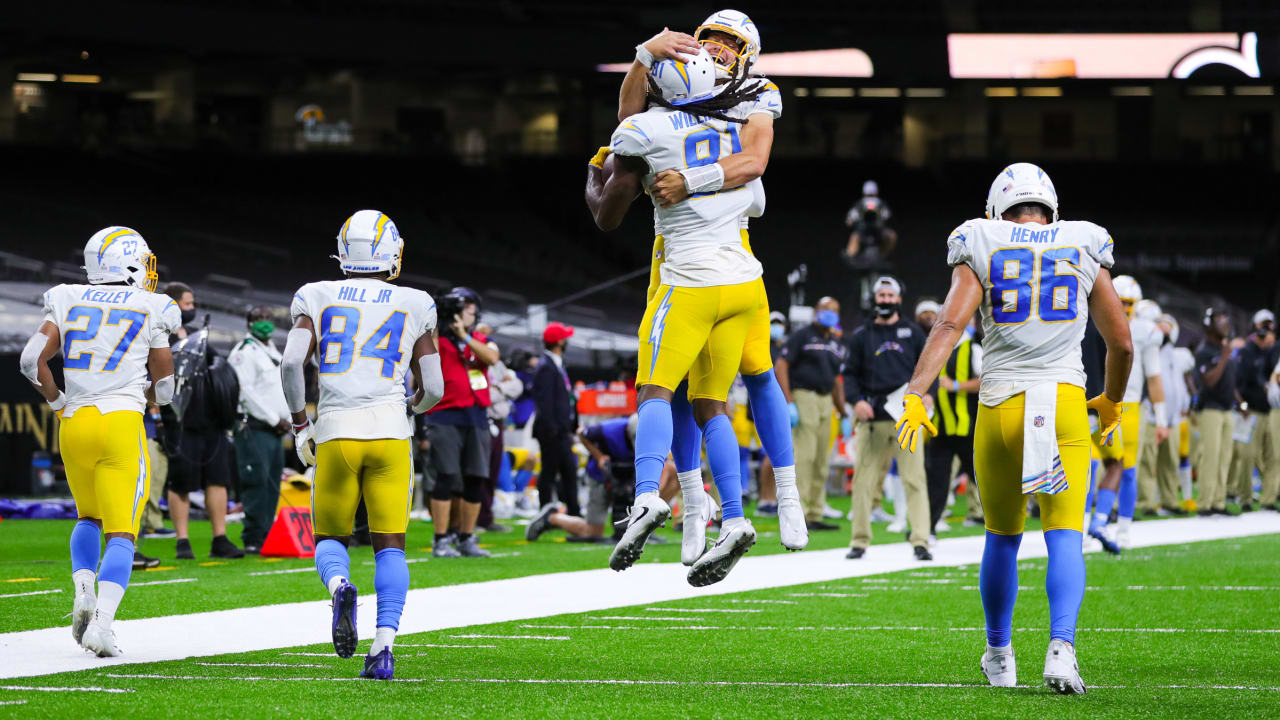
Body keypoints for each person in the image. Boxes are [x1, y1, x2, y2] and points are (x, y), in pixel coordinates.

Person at [894, 162, 1132, 694]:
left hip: (1000, 404)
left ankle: (1000, 654)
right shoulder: (1083, 241)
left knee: (1001, 537)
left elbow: (951, 324)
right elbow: (1122, 343)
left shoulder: (981, 237)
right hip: (1065, 401)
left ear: (997, 207)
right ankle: (1061, 650)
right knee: (1064, 535)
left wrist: (915, 394)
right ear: (1050, 207)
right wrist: (1112, 402)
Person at [593, 14, 805, 584]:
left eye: (731, 45)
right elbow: (753, 181)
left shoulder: (663, 123)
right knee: (711, 397)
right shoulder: (724, 120)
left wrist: (691, 178)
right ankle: (720, 513)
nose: (716, 50)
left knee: (663, 389)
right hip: (741, 271)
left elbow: (625, 131)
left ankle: (662, 498)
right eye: (710, 42)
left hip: (685, 271)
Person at [281, 209, 443, 680]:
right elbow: (433, 386)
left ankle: (339, 587)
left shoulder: (315, 294)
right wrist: (409, 405)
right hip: (391, 432)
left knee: (330, 538)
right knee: (390, 546)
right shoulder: (415, 301)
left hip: (336, 430)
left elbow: (292, 364)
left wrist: (299, 424)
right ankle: (383, 648)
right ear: (391, 251)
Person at [19, 226, 179, 657]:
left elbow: (31, 360)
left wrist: (56, 400)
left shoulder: (68, 296)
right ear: (129, 263)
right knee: (123, 533)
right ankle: (102, 626)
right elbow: (164, 386)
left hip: (74, 422)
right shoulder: (153, 305)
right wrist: (143, 397)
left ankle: (84, 588)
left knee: (86, 517)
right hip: (121, 423)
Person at [843, 276, 931, 561]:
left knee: (914, 480)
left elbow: (929, 366)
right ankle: (859, 541)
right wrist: (855, 401)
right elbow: (850, 374)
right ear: (875, 299)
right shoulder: (861, 335)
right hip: (874, 417)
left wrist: (929, 393)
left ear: (899, 299)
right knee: (864, 482)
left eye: (890, 295)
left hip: (907, 416)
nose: (885, 300)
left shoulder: (913, 332)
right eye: (881, 295)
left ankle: (920, 540)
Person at [163, 282, 244, 561]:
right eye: (187, 304)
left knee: (217, 479)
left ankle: (219, 538)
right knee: (181, 482)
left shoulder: (199, 336)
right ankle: (182, 541)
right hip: (180, 421)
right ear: (173, 304)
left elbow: (218, 371)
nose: (192, 308)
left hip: (211, 421)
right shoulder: (159, 337)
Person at [1088, 277, 1168, 549]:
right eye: (1119, 301)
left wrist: (1161, 418)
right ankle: (1090, 524)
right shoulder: (1097, 322)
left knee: (1129, 469)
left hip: (1131, 405)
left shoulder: (1146, 331)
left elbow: (1154, 377)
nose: (1123, 307)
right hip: (1101, 401)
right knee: (1092, 465)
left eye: (1128, 303)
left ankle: (1122, 529)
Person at [423, 287, 498, 558]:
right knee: (446, 476)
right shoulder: (438, 338)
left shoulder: (479, 338)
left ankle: (467, 537)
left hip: (476, 416)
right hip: (445, 415)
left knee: (476, 478)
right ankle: (441, 539)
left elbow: (491, 358)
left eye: (467, 307)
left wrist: (464, 336)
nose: (464, 312)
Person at [775, 297, 848, 531]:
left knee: (821, 460)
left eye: (835, 310)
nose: (830, 314)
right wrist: (788, 400)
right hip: (804, 396)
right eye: (826, 309)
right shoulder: (802, 335)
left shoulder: (836, 342)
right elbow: (781, 365)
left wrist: (843, 411)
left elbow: (837, 379)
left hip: (826, 400)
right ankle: (800, 510)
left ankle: (815, 511)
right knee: (804, 457)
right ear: (816, 312)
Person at [228, 305, 292, 554]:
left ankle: (266, 534)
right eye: (258, 318)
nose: (264, 322)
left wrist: (284, 418)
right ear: (248, 323)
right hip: (255, 426)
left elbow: (276, 389)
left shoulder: (271, 349)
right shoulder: (244, 352)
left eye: (268, 318)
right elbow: (245, 392)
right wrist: (274, 418)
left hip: (274, 428)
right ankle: (254, 537)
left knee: (271, 482)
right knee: (255, 481)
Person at [527, 414, 639, 544]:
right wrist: (599, 456)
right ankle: (552, 517)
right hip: (601, 476)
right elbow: (582, 433)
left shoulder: (648, 435)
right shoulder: (610, 428)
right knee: (593, 532)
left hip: (626, 477)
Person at [924, 312, 983, 538]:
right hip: (940, 427)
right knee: (936, 480)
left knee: (982, 478)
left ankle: (1003, 526)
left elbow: (986, 380)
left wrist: (955, 385)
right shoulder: (934, 348)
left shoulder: (974, 348)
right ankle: (928, 528)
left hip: (968, 427)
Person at [1141, 313, 1194, 516]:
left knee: (1170, 462)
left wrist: (1185, 405)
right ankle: (1146, 502)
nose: (1162, 330)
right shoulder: (1148, 349)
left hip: (1173, 418)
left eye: (1166, 326)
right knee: (1147, 461)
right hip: (1152, 416)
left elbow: (1179, 384)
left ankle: (1170, 501)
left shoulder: (1177, 355)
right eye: (1159, 325)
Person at [474, 323, 523, 533]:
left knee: (493, 470)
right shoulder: (473, 363)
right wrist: (501, 389)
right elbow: (482, 394)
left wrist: (498, 387)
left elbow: (517, 386)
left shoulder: (497, 364)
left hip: (498, 422)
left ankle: (486, 516)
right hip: (483, 420)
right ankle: (476, 518)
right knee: (480, 471)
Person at [1193, 309, 1238, 516]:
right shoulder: (1205, 351)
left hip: (1228, 409)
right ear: (1209, 325)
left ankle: (1219, 502)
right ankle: (1205, 503)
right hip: (1210, 409)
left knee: (1224, 457)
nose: (1225, 324)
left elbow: (1230, 382)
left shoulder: (1223, 349)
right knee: (1210, 456)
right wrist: (1224, 358)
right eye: (1220, 320)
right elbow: (1209, 381)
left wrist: (1240, 402)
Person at [531, 322, 579, 515]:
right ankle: (549, 511)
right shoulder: (547, 366)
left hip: (559, 429)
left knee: (563, 470)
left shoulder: (555, 364)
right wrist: (553, 428)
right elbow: (545, 401)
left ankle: (571, 510)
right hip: (553, 431)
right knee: (553, 471)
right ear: (559, 342)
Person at [1232, 309, 1278, 511]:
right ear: (1255, 326)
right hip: (1250, 411)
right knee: (1248, 456)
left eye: (1269, 326)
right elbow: (1235, 383)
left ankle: (1268, 499)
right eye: (1263, 325)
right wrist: (1241, 405)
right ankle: (1245, 498)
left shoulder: (1275, 351)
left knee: (1274, 456)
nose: (1266, 329)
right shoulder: (1245, 351)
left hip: (1273, 411)